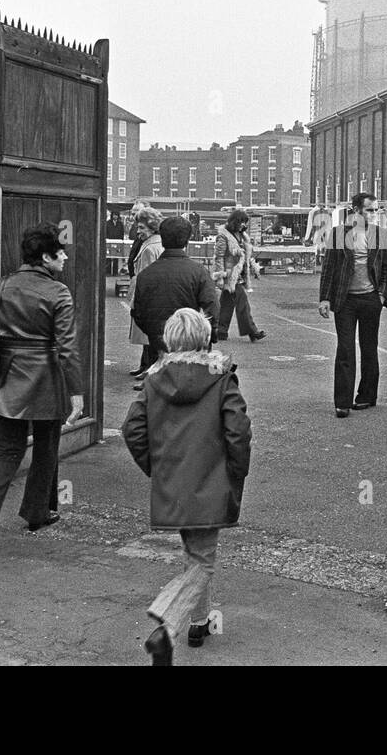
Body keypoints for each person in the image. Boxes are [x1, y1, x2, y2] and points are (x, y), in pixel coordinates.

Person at [122, 308, 253, 666]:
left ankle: (199, 621)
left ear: (169, 339)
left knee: (194, 552)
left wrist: (156, 467)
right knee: (203, 561)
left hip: (172, 480)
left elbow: (131, 429)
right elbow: (237, 431)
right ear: (204, 337)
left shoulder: (153, 380)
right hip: (211, 479)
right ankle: (167, 627)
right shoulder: (221, 378)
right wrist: (236, 471)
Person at [0, 223, 84, 551]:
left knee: (7, 449)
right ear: (47, 257)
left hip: (7, 377)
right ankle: (37, 512)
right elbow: (67, 347)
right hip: (46, 377)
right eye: (60, 253)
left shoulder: (3, 285)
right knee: (47, 447)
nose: (64, 258)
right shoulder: (58, 292)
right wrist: (77, 394)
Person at [317, 193, 387, 418]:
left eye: (376, 210)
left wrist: (382, 296)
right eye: (370, 210)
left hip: (371, 299)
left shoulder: (380, 234)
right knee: (345, 349)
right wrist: (324, 298)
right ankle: (343, 402)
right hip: (346, 300)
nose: (374, 214)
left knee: (369, 349)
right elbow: (329, 268)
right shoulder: (339, 233)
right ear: (356, 210)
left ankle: (367, 396)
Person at [131, 216, 219, 388]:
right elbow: (211, 306)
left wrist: (154, 335)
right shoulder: (198, 272)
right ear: (187, 240)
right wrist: (209, 335)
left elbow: (137, 312)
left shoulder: (145, 275)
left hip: (159, 342)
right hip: (189, 341)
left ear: (162, 238)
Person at [213, 209, 266, 343]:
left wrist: (253, 267)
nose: (244, 225)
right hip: (229, 274)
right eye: (241, 222)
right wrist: (220, 277)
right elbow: (218, 257)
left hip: (238, 273)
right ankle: (252, 330)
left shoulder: (241, 235)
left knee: (227, 303)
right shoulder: (223, 235)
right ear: (235, 221)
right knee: (242, 302)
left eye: (245, 222)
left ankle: (221, 331)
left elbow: (246, 255)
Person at [128, 210, 164, 379]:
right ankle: (144, 365)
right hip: (153, 297)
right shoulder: (153, 243)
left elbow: (147, 279)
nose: (138, 231)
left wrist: (138, 302)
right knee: (147, 336)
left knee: (148, 333)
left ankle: (148, 369)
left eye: (141, 227)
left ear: (151, 228)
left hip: (147, 299)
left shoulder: (150, 248)